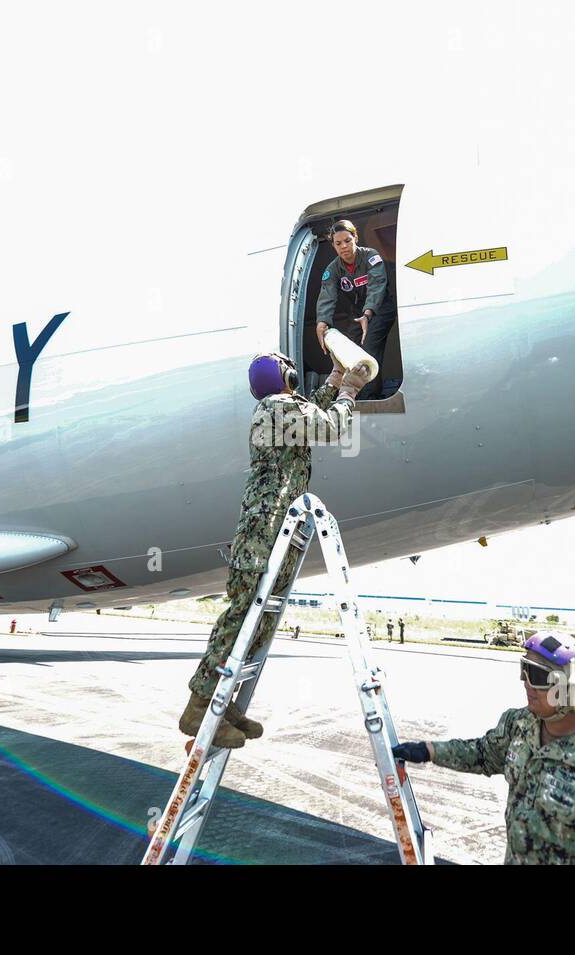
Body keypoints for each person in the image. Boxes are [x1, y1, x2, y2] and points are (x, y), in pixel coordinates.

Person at [180, 350, 368, 749]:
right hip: (263, 530)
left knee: (258, 620)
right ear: (284, 375)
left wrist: (334, 378)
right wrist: (350, 391)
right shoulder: (277, 407)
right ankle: (199, 706)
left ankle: (221, 702)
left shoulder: (280, 410)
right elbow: (331, 427)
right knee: (242, 613)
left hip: (274, 526)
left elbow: (312, 410)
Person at [392, 631, 575, 864]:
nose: (524, 681)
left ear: (572, 688)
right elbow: (483, 754)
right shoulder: (520, 724)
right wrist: (429, 750)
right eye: (523, 669)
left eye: (535, 674)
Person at [315, 220, 395, 400]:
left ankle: (370, 396)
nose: (344, 246)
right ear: (334, 246)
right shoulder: (333, 269)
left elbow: (377, 286)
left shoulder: (371, 257)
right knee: (347, 350)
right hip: (358, 313)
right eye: (338, 243)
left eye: (347, 240)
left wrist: (368, 312)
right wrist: (322, 321)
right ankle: (349, 394)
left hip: (380, 308)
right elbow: (327, 295)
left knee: (368, 348)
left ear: (355, 238)